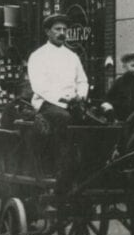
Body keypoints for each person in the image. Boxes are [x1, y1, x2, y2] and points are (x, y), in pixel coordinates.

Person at [28, 14, 89, 186]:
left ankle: (85, 167)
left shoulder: (72, 56)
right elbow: (39, 86)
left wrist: (81, 96)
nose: (62, 33)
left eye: (64, 30)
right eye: (57, 29)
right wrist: (63, 100)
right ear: (48, 32)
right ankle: (59, 166)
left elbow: (82, 80)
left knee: (95, 122)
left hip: (73, 103)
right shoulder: (38, 56)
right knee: (63, 118)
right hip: (48, 103)